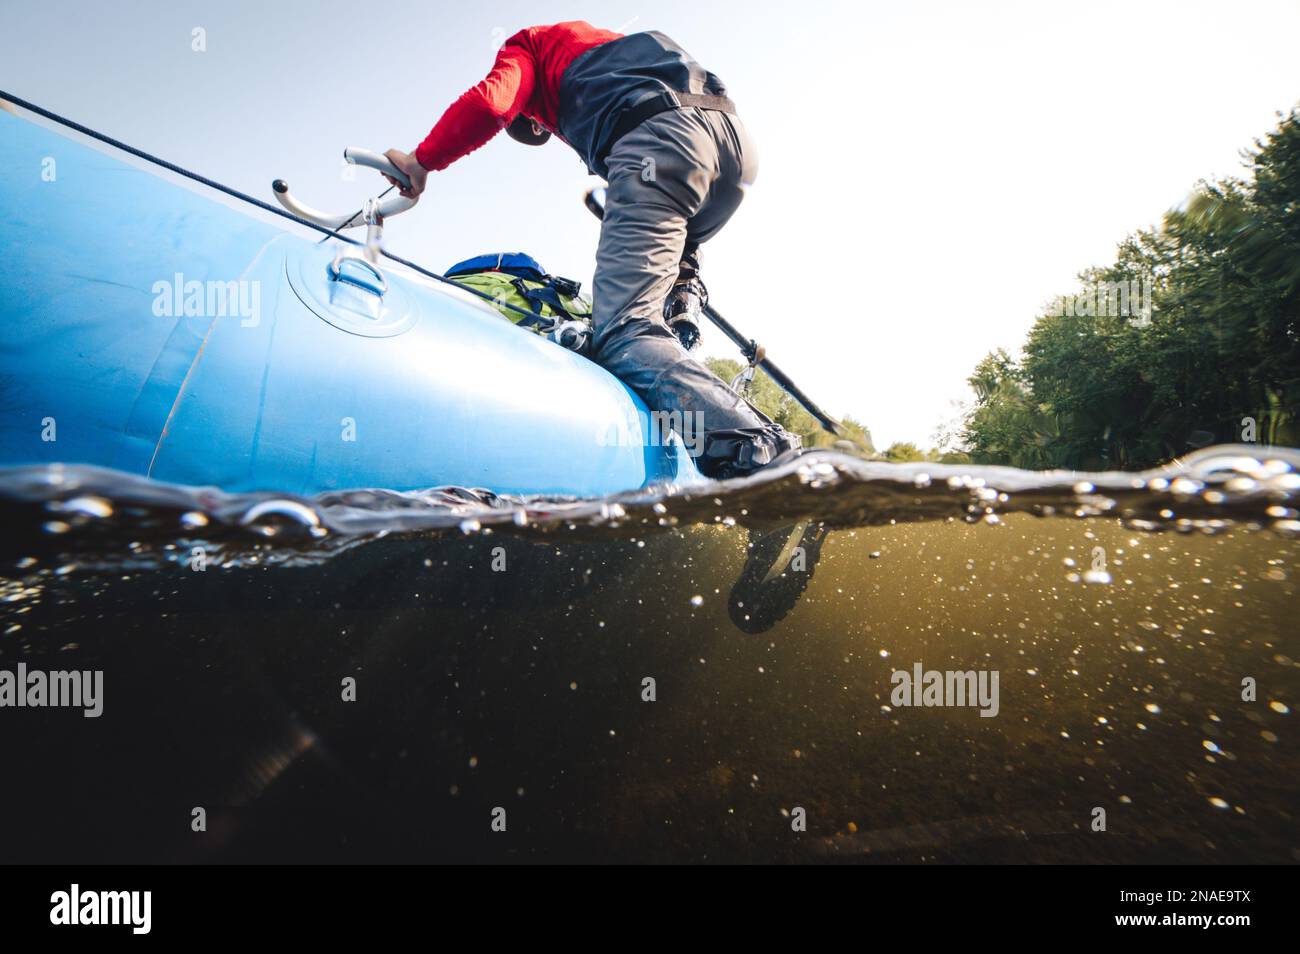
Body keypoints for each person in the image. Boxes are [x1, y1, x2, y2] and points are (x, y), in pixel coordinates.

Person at [383, 20, 801, 478]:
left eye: (538, 124)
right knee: (676, 238)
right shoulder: (596, 43)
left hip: (663, 143)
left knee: (624, 333)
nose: (544, 127)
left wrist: (421, 161)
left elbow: (491, 104)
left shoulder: (529, 45)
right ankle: (682, 291)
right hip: (733, 147)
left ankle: (757, 457)